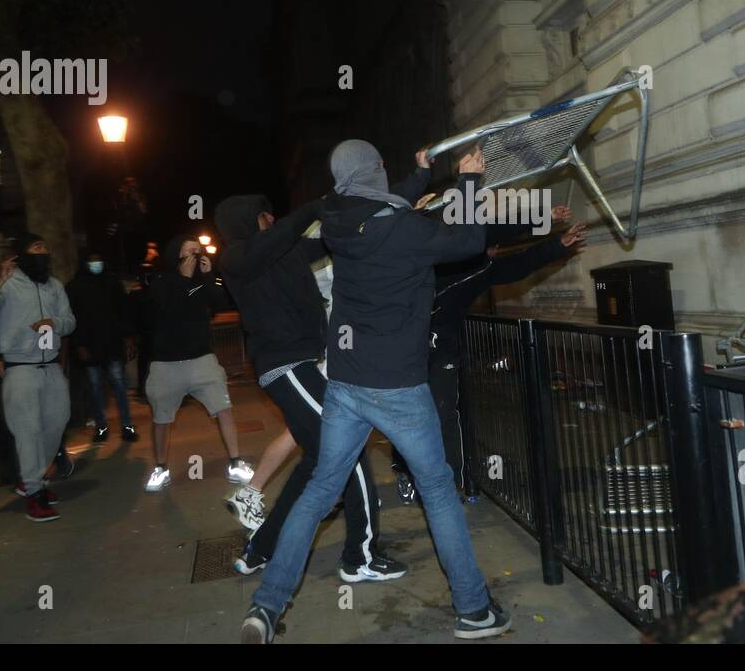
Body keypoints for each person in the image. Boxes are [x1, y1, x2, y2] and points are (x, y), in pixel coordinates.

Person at [242, 140, 509, 642]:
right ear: (373, 173)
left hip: (345, 381)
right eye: (383, 169)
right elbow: (469, 242)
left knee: (320, 489)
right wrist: (471, 182)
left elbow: (377, 205)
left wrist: (420, 175)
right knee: (436, 489)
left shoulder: (337, 219)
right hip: (399, 385)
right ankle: (474, 609)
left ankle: (267, 605)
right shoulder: (405, 228)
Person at [215, 192, 405, 583]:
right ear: (249, 221)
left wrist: (392, 206)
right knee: (346, 447)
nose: (272, 221)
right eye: (265, 216)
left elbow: (336, 238)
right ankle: (361, 557)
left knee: (317, 463)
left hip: (300, 365)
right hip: (285, 368)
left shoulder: (284, 253)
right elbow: (282, 233)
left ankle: (261, 549)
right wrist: (316, 204)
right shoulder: (236, 258)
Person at [393, 209, 587, 501]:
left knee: (444, 411)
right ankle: (406, 472)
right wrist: (539, 216)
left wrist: (557, 245)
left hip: (443, 346)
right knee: (409, 411)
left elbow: (520, 265)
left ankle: (450, 481)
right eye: (490, 244)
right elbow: (489, 232)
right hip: (409, 344)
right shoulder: (445, 256)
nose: (495, 249)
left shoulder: (486, 269)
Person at [0, 234, 76, 522]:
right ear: (20, 255)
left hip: (51, 367)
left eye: (45, 247)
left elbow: (70, 322)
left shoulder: (54, 286)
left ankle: (34, 478)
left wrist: (54, 322)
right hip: (20, 368)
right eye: (36, 247)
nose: (43, 251)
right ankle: (34, 493)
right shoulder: (8, 285)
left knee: (58, 422)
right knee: (27, 430)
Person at [140, 234, 252, 492]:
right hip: (166, 363)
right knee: (162, 418)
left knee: (223, 408)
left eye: (199, 252)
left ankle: (236, 462)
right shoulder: (161, 282)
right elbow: (168, 308)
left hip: (201, 358)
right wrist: (185, 278)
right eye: (190, 252)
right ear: (176, 256)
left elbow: (221, 302)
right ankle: (160, 468)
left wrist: (208, 275)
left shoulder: (201, 285)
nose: (196, 256)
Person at [66, 251, 138, 443]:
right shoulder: (75, 287)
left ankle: (127, 426)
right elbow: (72, 319)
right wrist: (79, 344)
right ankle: (101, 427)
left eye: (99, 260)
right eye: (92, 261)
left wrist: (128, 338)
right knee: (95, 388)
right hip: (89, 347)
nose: (96, 264)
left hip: (112, 345)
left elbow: (123, 312)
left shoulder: (112, 283)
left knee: (119, 385)